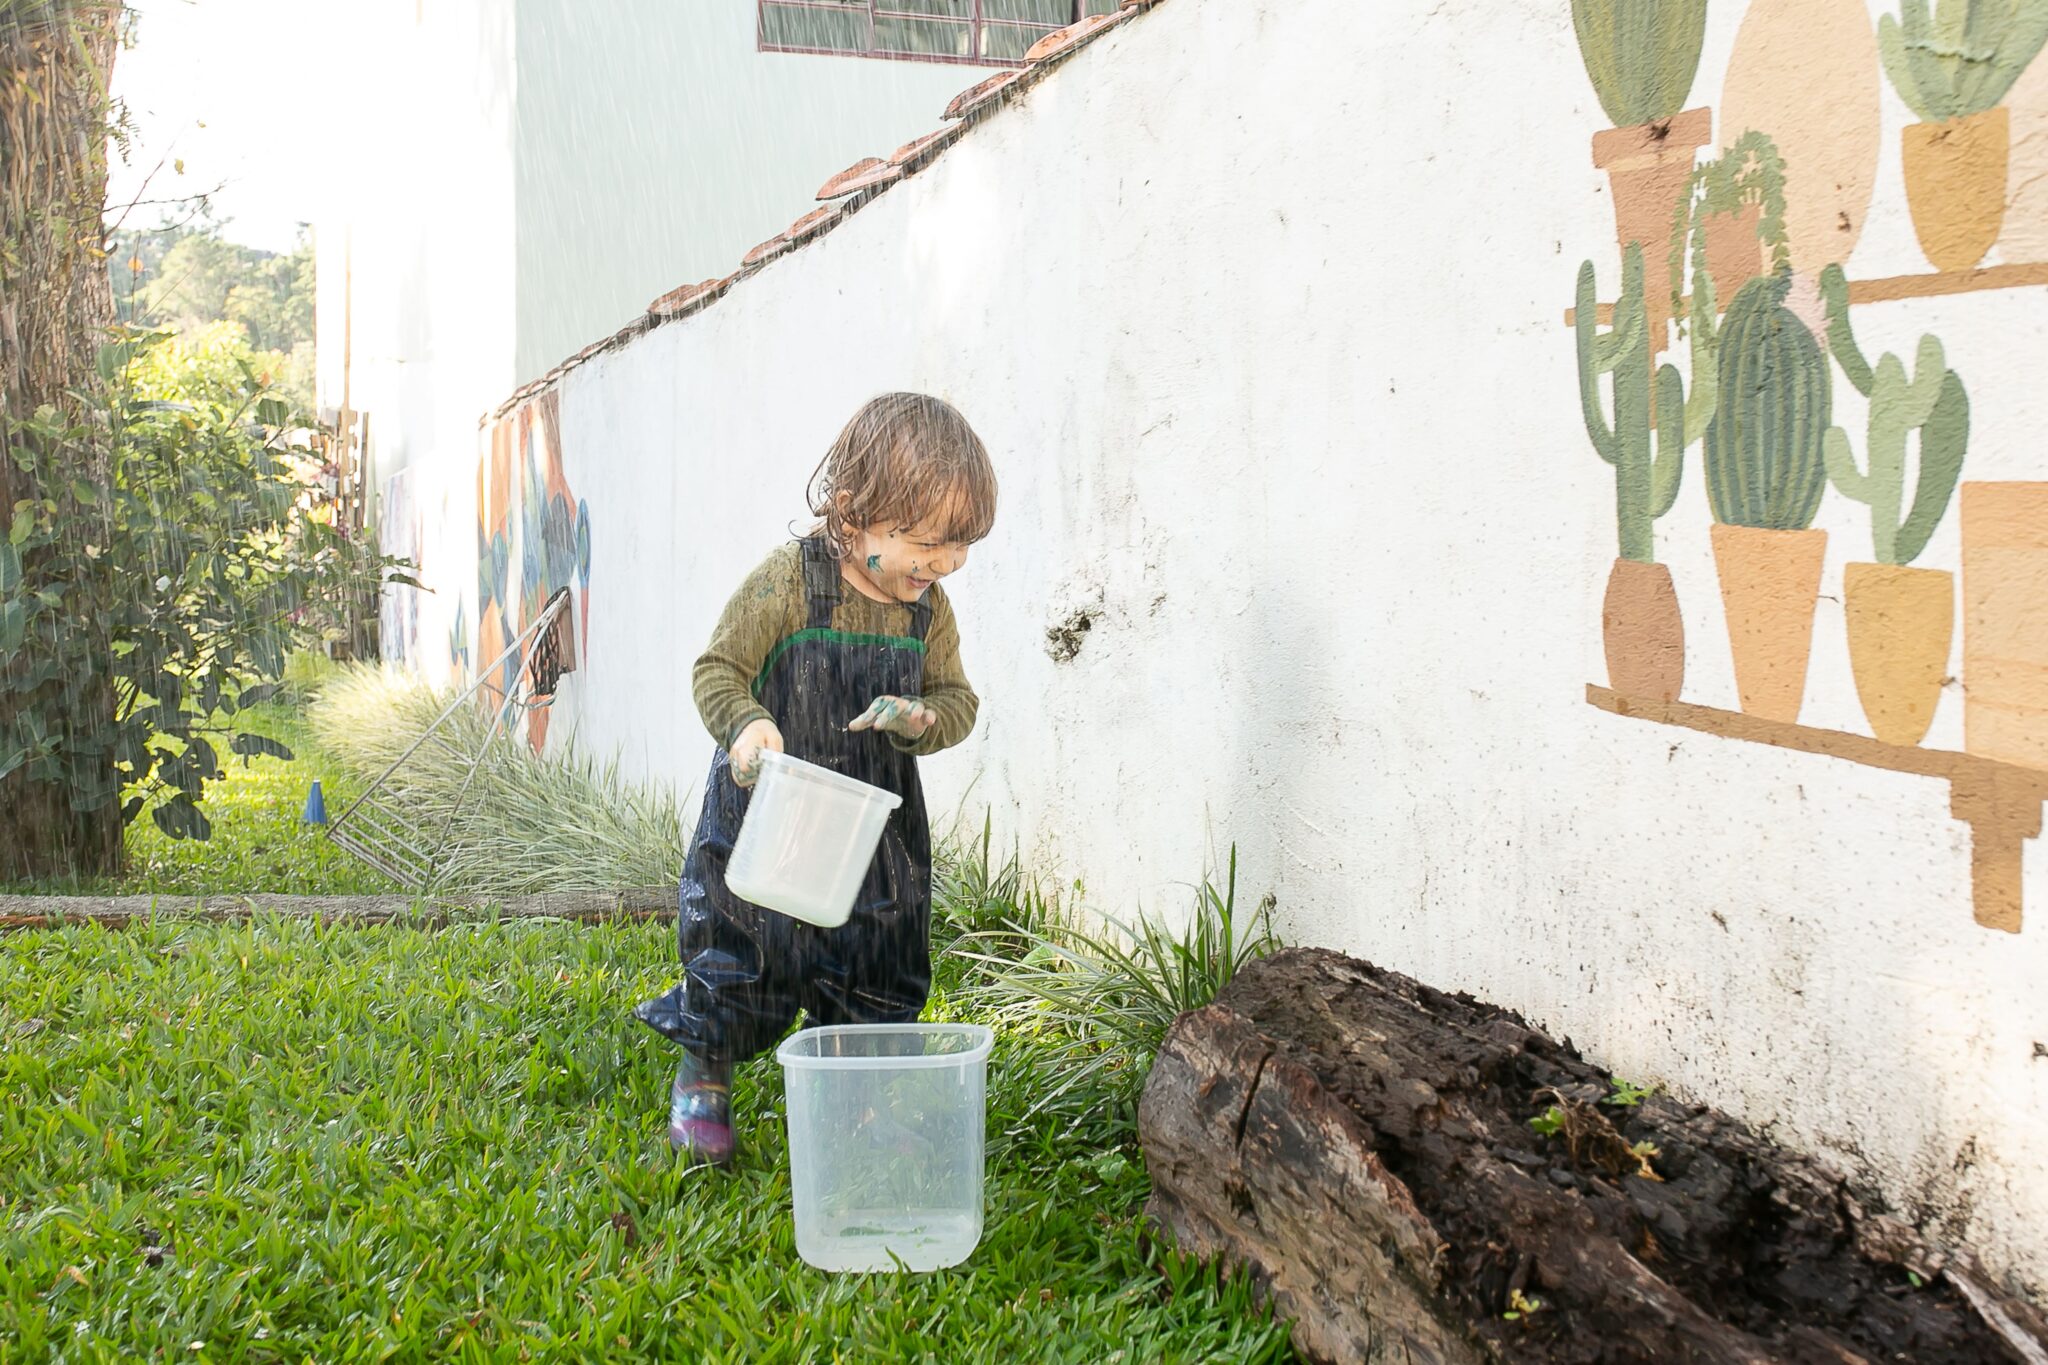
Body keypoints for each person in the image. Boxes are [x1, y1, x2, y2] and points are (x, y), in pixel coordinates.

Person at [633, 392, 997, 1166]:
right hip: (773, 802)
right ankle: (708, 1074)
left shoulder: (927, 614)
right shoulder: (787, 584)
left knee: (876, 951)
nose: (939, 565)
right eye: (923, 543)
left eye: (958, 547)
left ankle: (856, 1103)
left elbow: (959, 701)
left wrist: (922, 716)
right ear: (850, 512)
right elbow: (718, 667)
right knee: (747, 939)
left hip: (873, 824)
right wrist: (745, 725)